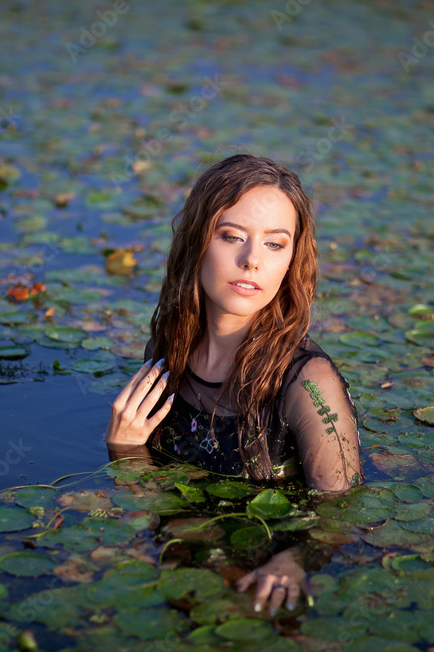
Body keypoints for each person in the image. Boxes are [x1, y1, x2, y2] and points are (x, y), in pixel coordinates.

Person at [104, 153, 363, 615]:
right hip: (182, 567)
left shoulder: (307, 382)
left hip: (266, 586)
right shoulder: (167, 351)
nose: (251, 262)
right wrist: (125, 451)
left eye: (274, 244)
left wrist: (296, 558)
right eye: (232, 237)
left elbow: (340, 512)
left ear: (292, 259)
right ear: (197, 244)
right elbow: (156, 498)